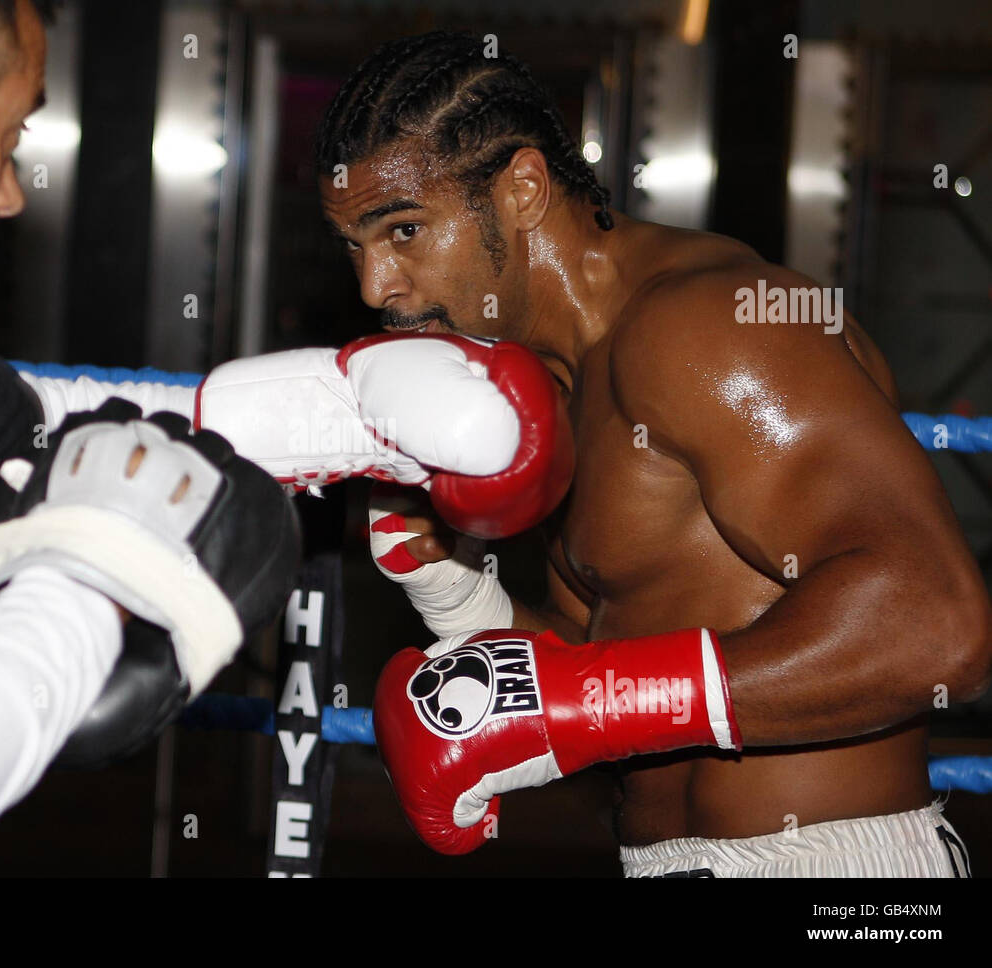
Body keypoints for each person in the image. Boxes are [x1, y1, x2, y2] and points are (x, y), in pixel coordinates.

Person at [0, 3, 562, 875]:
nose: (10, 192)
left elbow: (63, 430)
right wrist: (95, 567)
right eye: (9, 137)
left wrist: (342, 407)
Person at [318, 31, 992, 877]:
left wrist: (593, 703)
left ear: (523, 188)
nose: (375, 286)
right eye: (355, 244)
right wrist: (458, 596)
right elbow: (608, 665)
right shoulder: (546, 394)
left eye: (404, 230)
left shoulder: (704, 325)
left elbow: (936, 625)